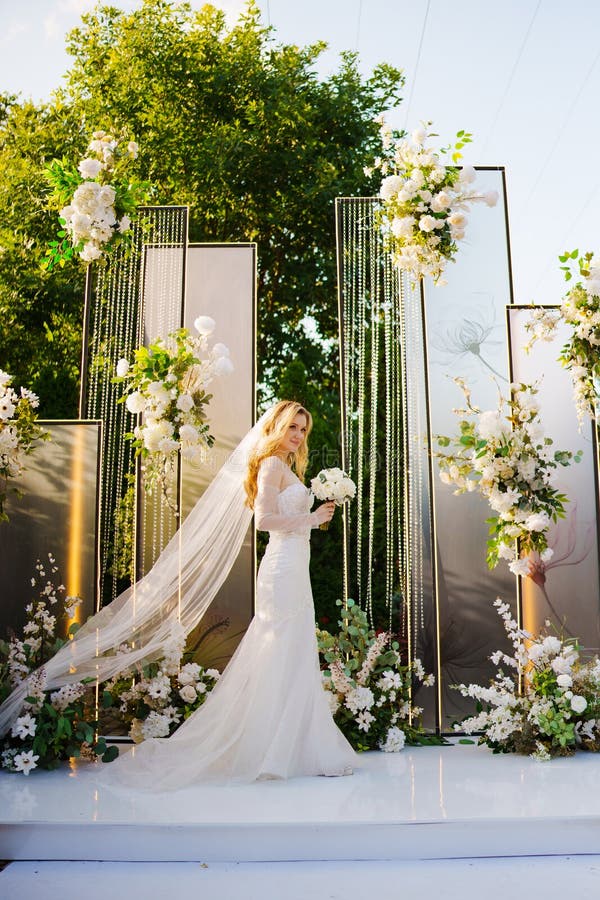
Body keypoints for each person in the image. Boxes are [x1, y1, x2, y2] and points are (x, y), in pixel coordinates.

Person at [101, 400, 356, 788]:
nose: (298, 436)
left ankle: (290, 745)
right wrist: (312, 517)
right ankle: (271, 748)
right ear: (276, 428)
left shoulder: (285, 466)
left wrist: (316, 516)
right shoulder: (271, 465)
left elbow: (287, 520)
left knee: (292, 649)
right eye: (292, 428)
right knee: (280, 647)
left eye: (303, 430)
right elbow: (265, 520)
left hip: (294, 566)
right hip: (281, 567)